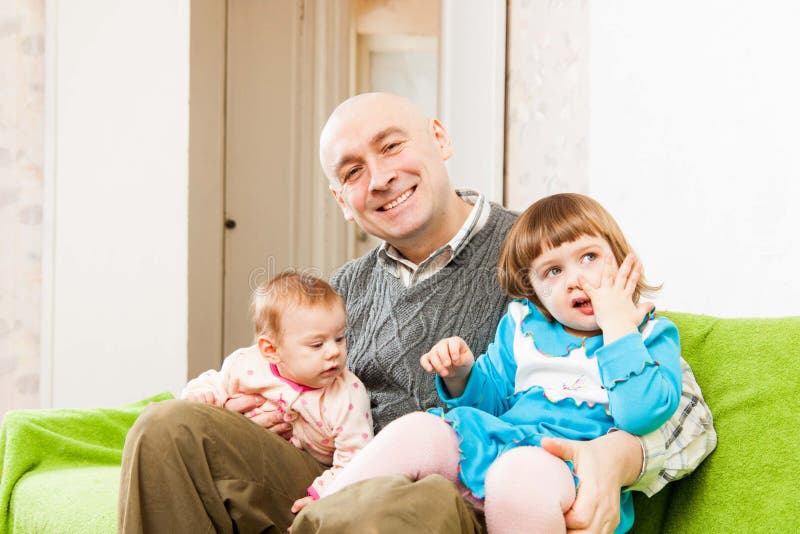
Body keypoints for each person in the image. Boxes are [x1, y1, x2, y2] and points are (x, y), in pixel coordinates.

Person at [118, 93, 716, 534]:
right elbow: (307, 388)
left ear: (439, 138)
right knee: (167, 430)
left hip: (458, 491)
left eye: (392, 145)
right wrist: (275, 413)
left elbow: (687, 411)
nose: (379, 178)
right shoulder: (345, 287)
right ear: (342, 202)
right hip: (337, 475)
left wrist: (618, 459)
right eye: (353, 172)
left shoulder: (539, 261)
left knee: (383, 507)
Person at [315, 193, 681, 533]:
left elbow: (640, 415)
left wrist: (618, 326)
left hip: (568, 469)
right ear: (534, 289)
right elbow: (490, 405)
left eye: (589, 257)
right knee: (418, 429)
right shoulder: (523, 326)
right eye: (553, 271)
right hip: (500, 444)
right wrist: (462, 375)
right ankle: (323, 513)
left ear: (620, 257)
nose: (576, 280)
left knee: (517, 473)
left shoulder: (650, 335)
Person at [179, 271, 373, 513]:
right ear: (271, 350)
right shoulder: (248, 366)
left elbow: (356, 457)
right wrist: (203, 396)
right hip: (255, 454)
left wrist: (323, 493)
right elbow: (215, 383)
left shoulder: (348, 393)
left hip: (320, 471)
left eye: (340, 339)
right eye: (317, 344)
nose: (334, 352)